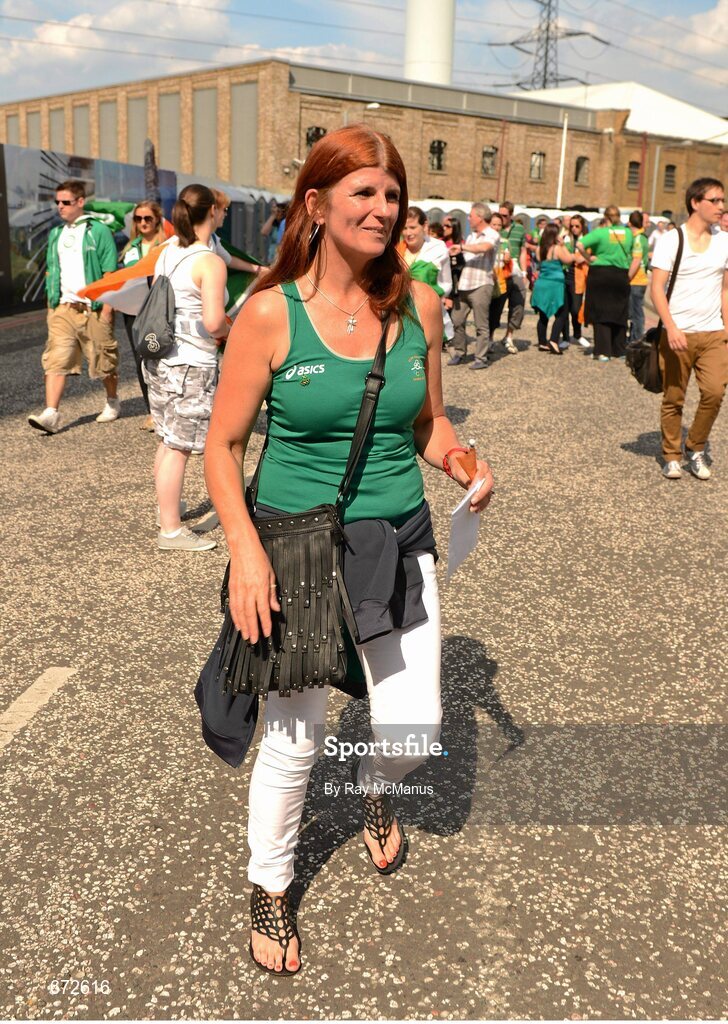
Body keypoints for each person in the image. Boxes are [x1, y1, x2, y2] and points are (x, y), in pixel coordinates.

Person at [203, 124, 494, 976]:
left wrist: (462, 461)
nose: (382, 207)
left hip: (401, 537)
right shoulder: (269, 313)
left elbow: (428, 420)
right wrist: (245, 553)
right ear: (316, 204)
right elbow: (221, 447)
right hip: (295, 549)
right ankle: (271, 884)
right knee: (295, 740)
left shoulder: (420, 305)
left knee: (413, 727)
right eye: (363, 191)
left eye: (393, 193)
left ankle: (372, 790)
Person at [143, 184, 229, 550]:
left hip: (159, 357)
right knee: (180, 446)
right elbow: (213, 323)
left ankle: (168, 506)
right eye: (221, 211)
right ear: (211, 212)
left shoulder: (166, 250)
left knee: (166, 437)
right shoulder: (209, 261)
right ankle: (171, 530)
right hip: (191, 363)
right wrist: (233, 329)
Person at [651, 177, 728, 481]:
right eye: (715, 200)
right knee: (674, 396)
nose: (721, 207)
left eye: (723, 201)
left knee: (714, 392)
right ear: (696, 203)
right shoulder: (673, 239)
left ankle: (695, 446)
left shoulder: (724, 241)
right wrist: (670, 327)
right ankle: (671, 454)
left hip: (713, 333)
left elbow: (725, 289)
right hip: (679, 331)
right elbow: (657, 288)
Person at [28, 180, 119, 434]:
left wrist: (108, 308)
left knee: (104, 360)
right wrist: (51, 306)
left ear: (80, 202)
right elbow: (50, 271)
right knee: (56, 358)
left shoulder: (97, 231)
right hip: (63, 309)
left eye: (66, 202)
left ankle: (112, 400)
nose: (60, 207)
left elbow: (110, 271)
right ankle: (51, 413)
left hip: (94, 308)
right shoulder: (56, 233)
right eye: (57, 202)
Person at [120, 200, 168, 429]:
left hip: (159, 310)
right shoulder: (130, 248)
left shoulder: (168, 245)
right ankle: (152, 410)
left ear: (158, 219)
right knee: (141, 359)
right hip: (134, 312)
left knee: (165, 356)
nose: (142, 223)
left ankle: (168, 408)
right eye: (138, 219)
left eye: (147, 218)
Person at [446, 202, 499, 369]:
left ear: (480, 217)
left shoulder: (492, 234)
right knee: (456, 320)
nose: (468, 219)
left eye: (471, 216)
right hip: (464, 285)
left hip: (481, 284)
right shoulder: (471, 236)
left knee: (481, 325)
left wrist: (461, 247)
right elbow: (468, 255)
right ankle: (460, 352)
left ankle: (481, 358)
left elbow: (484, 248)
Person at [577, 204, 633, 363]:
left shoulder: (600, 233)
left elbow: (580, 244)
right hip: (620, 274)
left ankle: (603, 351)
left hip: (601, 273)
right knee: (619, 312)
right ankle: (619, 349)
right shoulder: (628, 233)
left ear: (606, 217)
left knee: (601, 312)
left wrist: (589, 258)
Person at [530, 223, 577, 355]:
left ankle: (542, 342)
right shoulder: (557, 248)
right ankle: (554, 340)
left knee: (543, 314)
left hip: (542, 283)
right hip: (555, 284)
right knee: (562, 313)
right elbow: (568, 260)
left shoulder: (540, 249)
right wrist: (563, 246)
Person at [487, 201, 527, 355]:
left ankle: (508, 336)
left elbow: (523, 250)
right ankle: (490, 338)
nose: (501, 219)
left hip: (515, 269)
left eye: (504, 215)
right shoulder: (494, 229)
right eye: (500, 214)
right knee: (496, 305)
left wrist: (524, 273)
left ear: (511, 215)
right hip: (498, 270)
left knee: (518, 303)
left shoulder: (520, 229)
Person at [210, 189, 266, 277]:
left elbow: (229, 260)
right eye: (225, 209)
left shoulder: (213, 238)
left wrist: (258, 269)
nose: (226, 214)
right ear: (213, 210)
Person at [562, 215, 590, 348]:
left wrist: (581, 257)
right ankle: (566, 337)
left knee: (575, 309)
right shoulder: (566, 238)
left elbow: (588, 257)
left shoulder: (587, 240)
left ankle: (577, 334)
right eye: (571, 226)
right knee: (564, 308)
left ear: (582, 226)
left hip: (578, 277)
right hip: (564, 275)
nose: (574, 228)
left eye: (577, 226)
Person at [627, 209, 650, 343]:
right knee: (634, 312)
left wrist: (628, 277)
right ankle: (633, 338)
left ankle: (636, 341)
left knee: (636, 313)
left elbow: (637, 260)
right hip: (639, 279)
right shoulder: (642, 237)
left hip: (637, 279)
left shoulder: (638, 239)